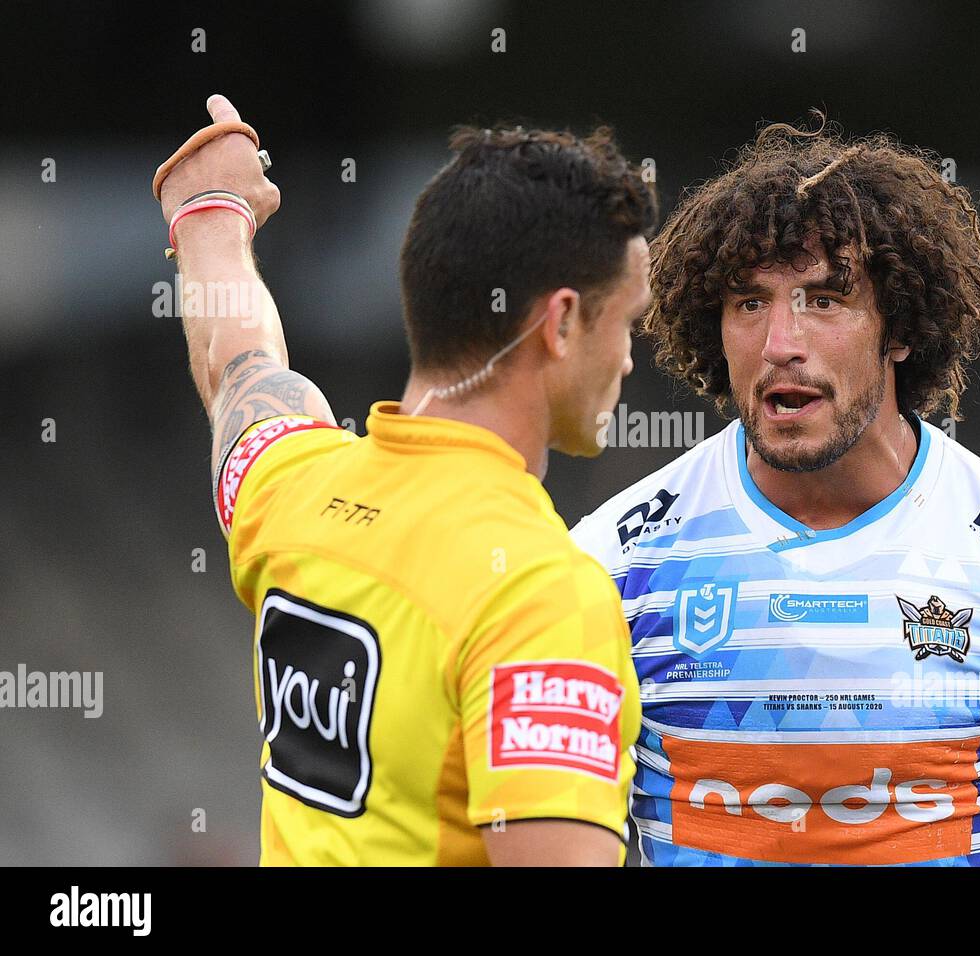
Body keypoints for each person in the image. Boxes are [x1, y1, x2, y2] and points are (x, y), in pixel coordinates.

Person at [570, 118, 980, 866]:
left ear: (901, 328)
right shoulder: (607, 564)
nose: (782, 340)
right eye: (750, 303)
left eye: (824, 300)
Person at [155, 94, 656, 865]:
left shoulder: (292, 488)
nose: (629, 358)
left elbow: (240, 372)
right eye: (625, 322)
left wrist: (209, 214)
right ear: (559, 324)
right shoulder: (540, 593)